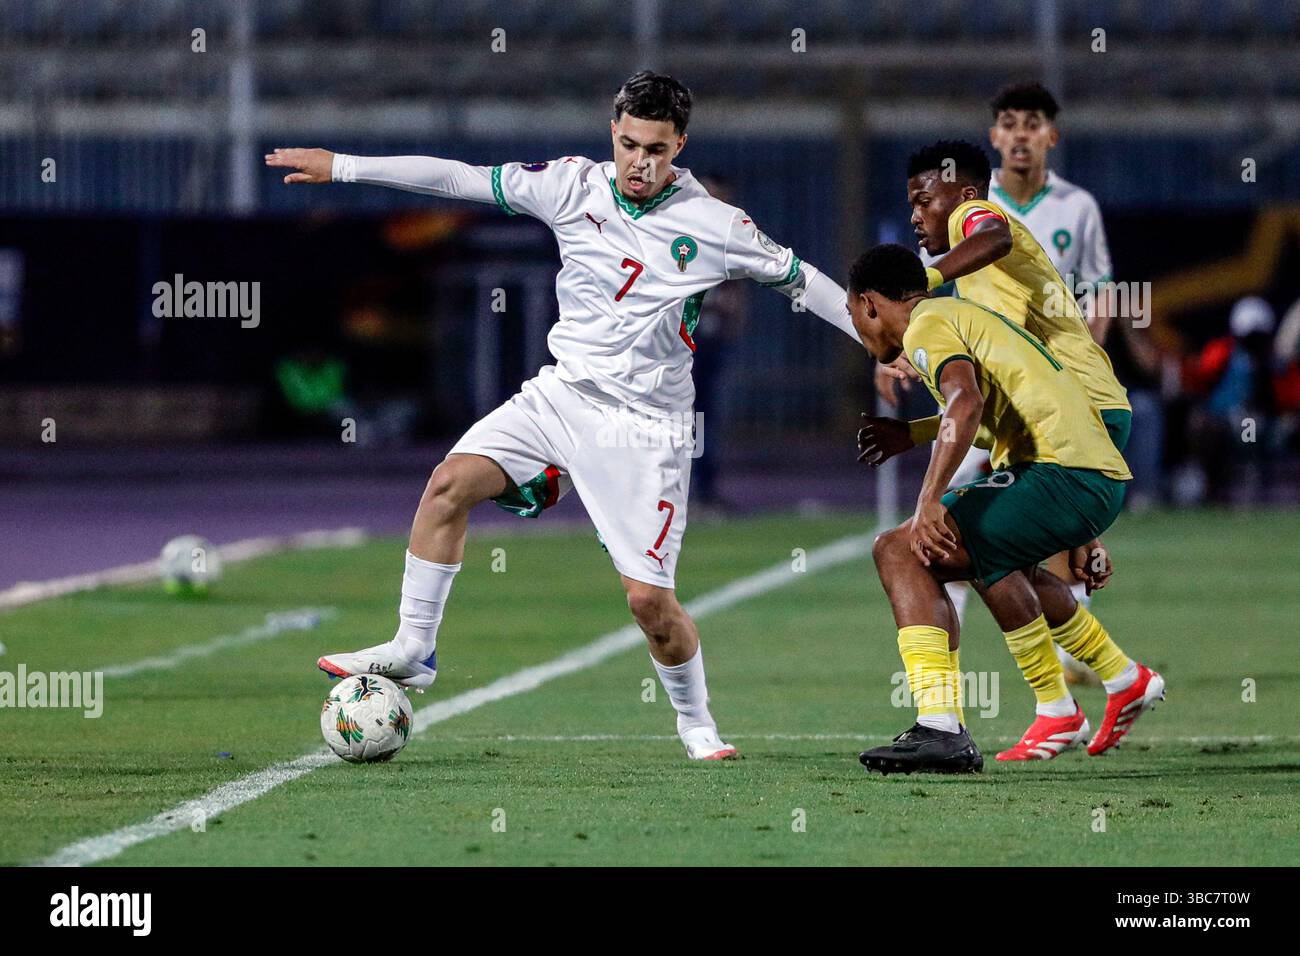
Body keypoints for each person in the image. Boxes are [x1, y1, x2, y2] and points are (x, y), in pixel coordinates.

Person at [265, 72, 862, 761]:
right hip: (561, 396)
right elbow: (459, 178)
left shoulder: (716, 225)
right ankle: (413, 648)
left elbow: (804, 281)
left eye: (658, 150)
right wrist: (343, 167)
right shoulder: (571, 185)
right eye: (631, 144)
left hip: (643, 429)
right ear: (614, 133)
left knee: (649, 606)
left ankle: (695, 722)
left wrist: (882, 343)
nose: (641, 163)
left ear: (681, 146)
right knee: (448, 484)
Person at [860, 142, 1162, 761]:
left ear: (962, 194)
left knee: (943, 542)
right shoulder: (965, 293)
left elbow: (992, 234)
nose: (916, 215)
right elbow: (991, 395)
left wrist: (928, 278)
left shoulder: (978, 229)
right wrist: (916, 432)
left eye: (924, 200)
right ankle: (1112, 681)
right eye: (909, 204)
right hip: (1051, 428)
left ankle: (1031, 711)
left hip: (1083, 408)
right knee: (997, 553)